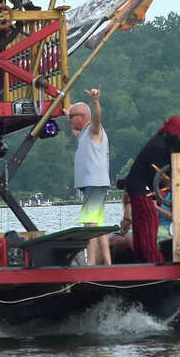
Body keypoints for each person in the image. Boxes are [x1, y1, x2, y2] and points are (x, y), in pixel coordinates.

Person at [122, 115, 180, 265]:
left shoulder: (174, 142)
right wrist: (176, 184)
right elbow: (161, 175)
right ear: (173, 134)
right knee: (149, 223)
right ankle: (154, 262)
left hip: (139, 187)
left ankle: (141, 260)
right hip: (140, 188)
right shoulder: (159, 147)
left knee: (141, 226)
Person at [67, 87, 112, 266]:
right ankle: (107, 261)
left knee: (90, 223)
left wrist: (95, 102)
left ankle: (91, 261)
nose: (70, 121)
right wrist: (67, 112)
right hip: (93, 183)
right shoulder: (82, 134)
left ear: (83, 116)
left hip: (95, 182)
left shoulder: (94, 130)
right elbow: (74, 126)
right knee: (98, 224)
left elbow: (97, 117)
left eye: (72, 117)